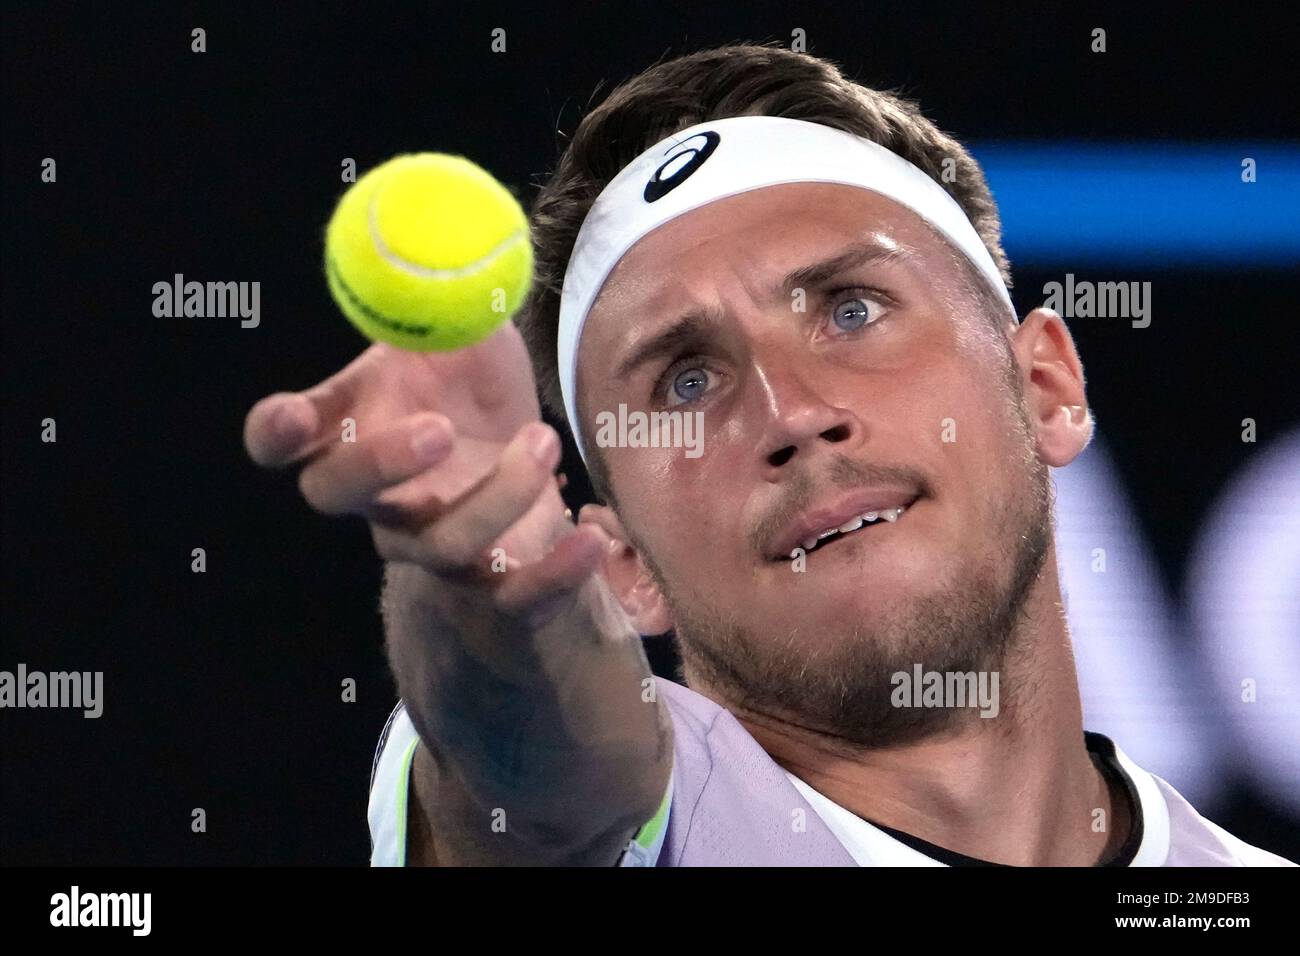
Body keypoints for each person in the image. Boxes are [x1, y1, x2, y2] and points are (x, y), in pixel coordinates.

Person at [243, 42, 1293, 867]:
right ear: (624, 567)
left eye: (850, 307)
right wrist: (481, 586)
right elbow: (531, 759)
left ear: (1045, 387)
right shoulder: (630, 827)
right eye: (686, 380)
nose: (790, 411)